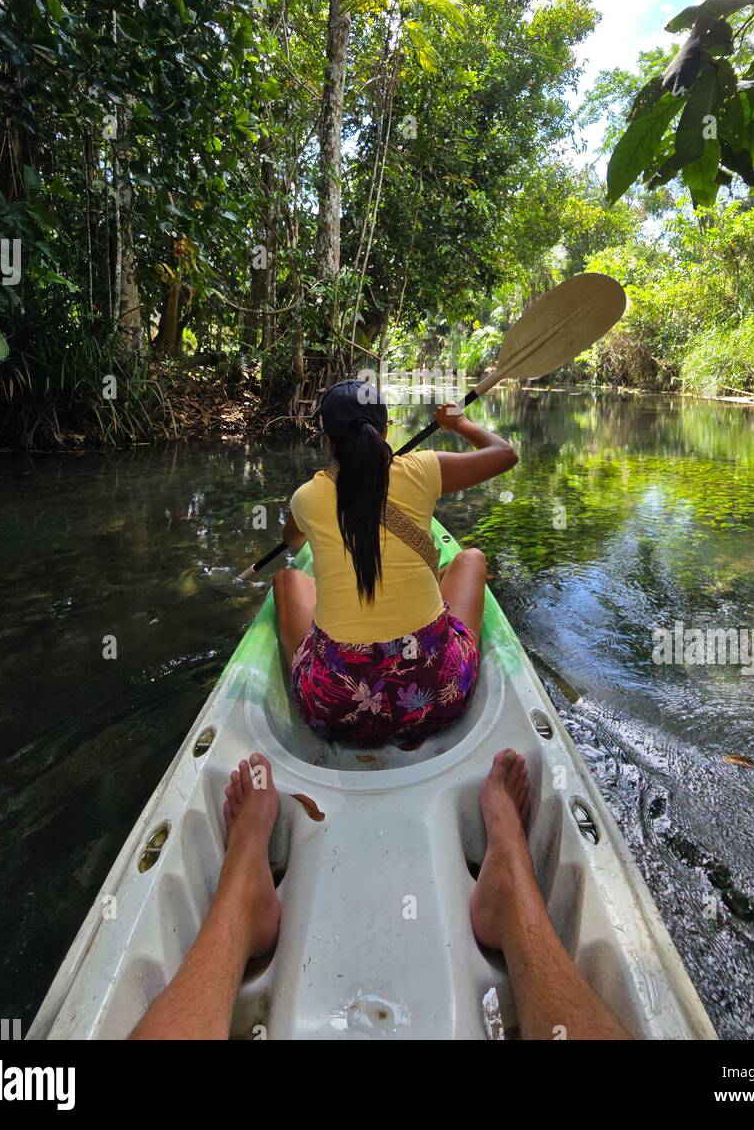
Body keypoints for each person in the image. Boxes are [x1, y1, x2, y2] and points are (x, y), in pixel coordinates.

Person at [129, 748, 631, 1041]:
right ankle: (513, 879)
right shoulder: (432, 561)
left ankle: (242, 889)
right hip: (430, 679)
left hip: (332, 687)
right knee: (473, 559)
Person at [273, 379, 517, 747]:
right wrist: (459, 424)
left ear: (327, 441)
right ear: (385, 430)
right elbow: (505, 454)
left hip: (337, 710)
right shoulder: (422, 470)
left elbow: (291, 540)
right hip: (436, 697)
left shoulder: (306, 497)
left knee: (288, 579)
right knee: (472, 559)